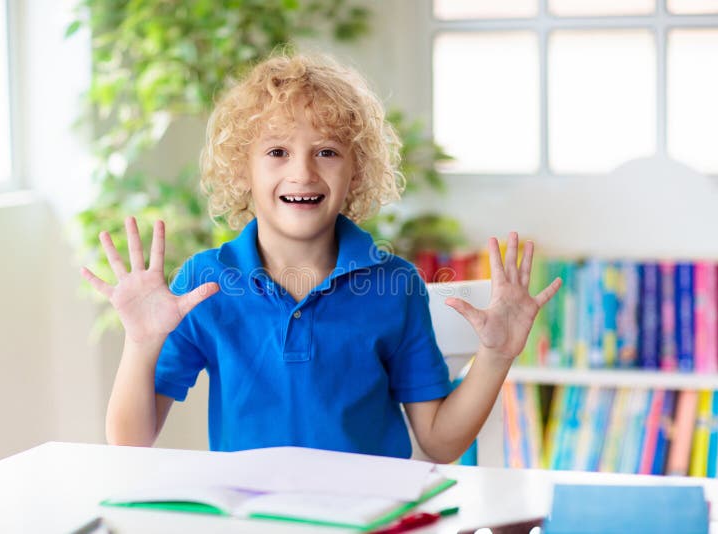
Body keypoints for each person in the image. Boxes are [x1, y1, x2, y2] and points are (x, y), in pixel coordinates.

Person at [81, 52, 561, 463]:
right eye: (277, 152)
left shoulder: (394, 284)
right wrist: (142, 343)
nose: (303, 172)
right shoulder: (206, 281)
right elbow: (130, 441)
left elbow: (439, 442)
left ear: (357, 171)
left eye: (327, 152)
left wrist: (496, 355)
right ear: (241, 171)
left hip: (372, 521)